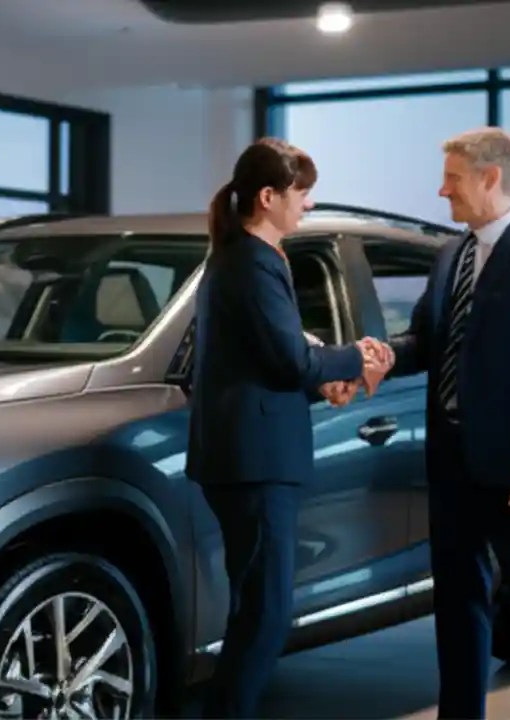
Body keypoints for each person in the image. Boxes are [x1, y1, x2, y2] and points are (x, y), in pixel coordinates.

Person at [380, 127, 510, 718]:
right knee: (458, 607)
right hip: (451, 464)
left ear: (490, 177)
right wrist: (378, 358)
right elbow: (427, 340)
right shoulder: (451, 255)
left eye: (452, 178)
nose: (442, 190)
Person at [185, 137, 389, 718]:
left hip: (246, 457)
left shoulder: (238, 258)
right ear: (268, 197)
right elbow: (289, 359)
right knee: (266, 614)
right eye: (302, 193)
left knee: (255, 609)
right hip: (257, 463)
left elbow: (266, 361)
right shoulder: (252, 262)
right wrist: (356, 359)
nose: (309, 204)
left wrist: (323, 380)